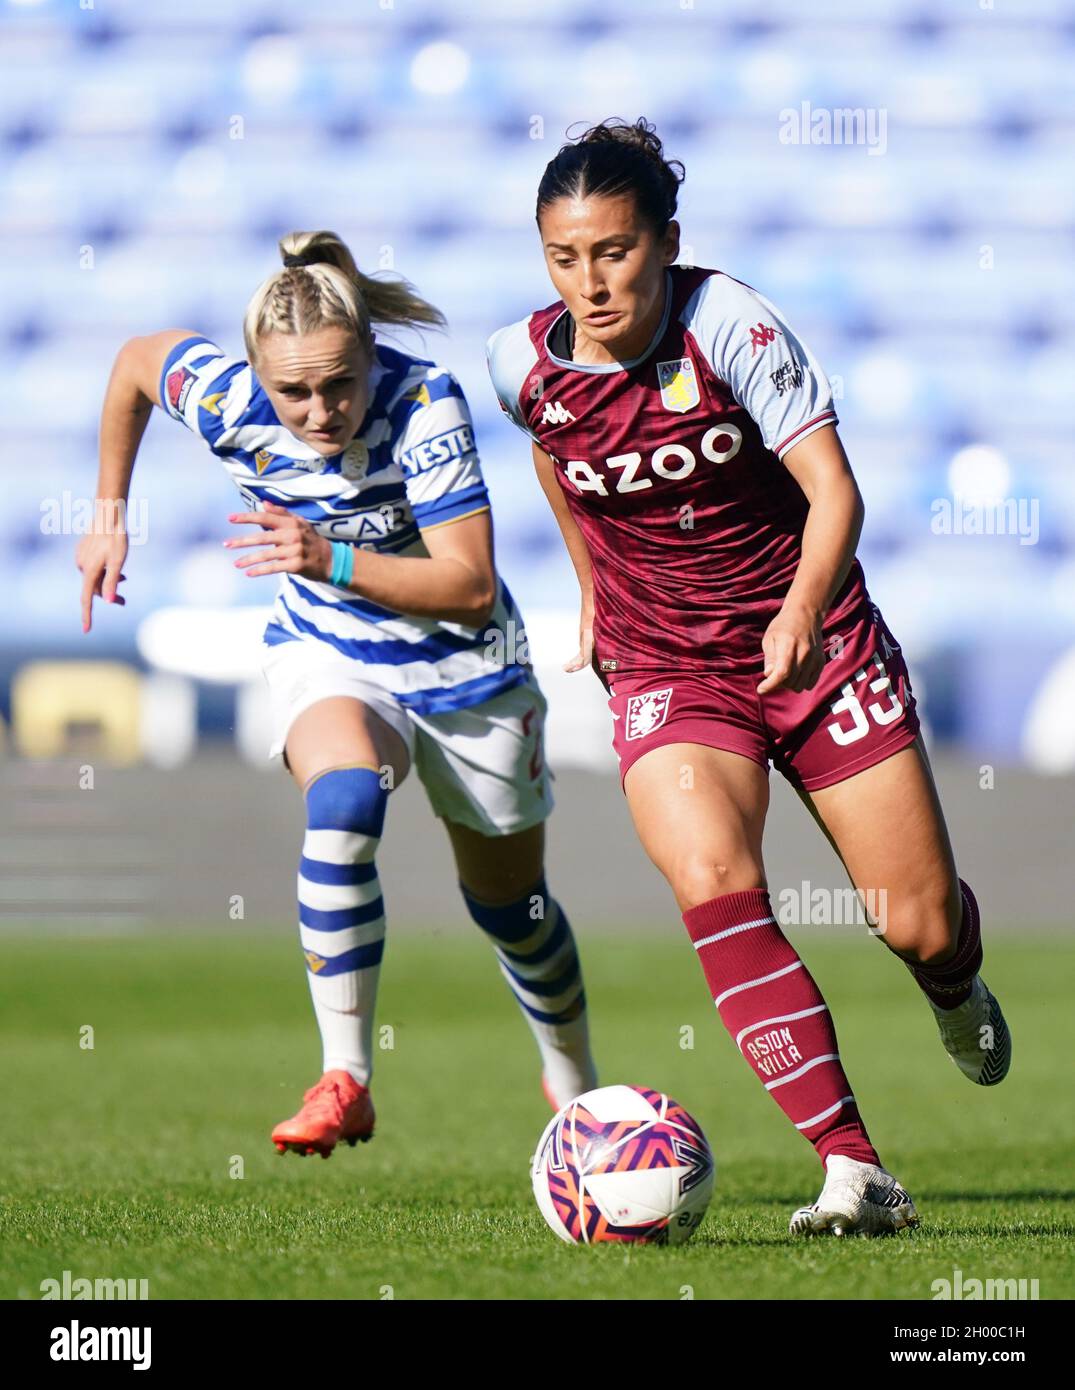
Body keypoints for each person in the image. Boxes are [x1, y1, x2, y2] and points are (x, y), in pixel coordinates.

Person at [486, 120, 1011, 1237]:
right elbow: (553, 448)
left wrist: (804, 612)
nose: (591, 282)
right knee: (712, 876)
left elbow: (834, 493)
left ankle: (954, 986)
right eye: (565, 257)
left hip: (816, 645)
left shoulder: (727, 325)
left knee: (914, 922)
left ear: (665, 242)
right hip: (669, 662)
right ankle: (853, 1166)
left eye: (616, 252)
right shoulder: (519, 362)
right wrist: (590, 587)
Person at [77, 229, 598, 1158]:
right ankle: (346, 1076)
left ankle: (571, 1079)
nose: (320, 412)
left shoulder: (423, 403)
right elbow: (130, 366)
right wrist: (107, 515)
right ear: (254, 376)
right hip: (334, 655)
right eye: (294, 392)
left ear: (370, 357)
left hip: (468, 671)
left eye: (339, 384)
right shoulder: (227, 400)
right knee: (346, 796)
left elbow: (469, 585)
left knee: (510, 913)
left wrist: (330, 556)